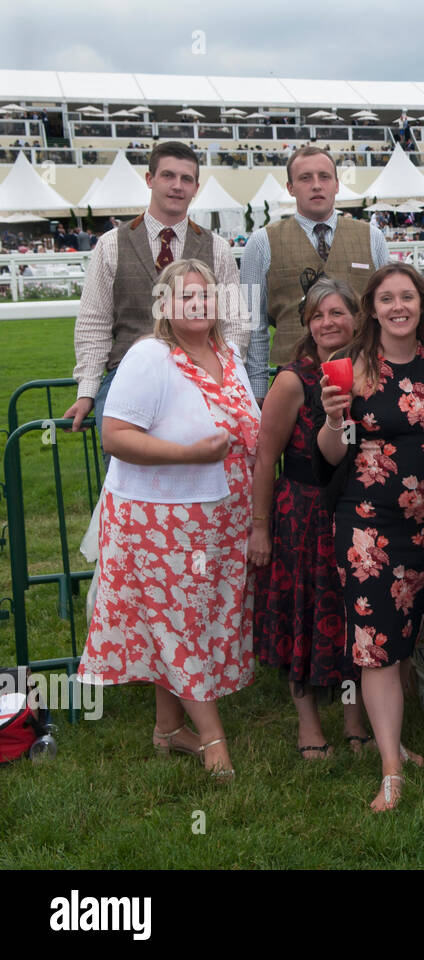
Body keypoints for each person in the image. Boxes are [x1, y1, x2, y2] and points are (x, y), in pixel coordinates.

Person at [77, 259, 261, 780]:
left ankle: (166, 729)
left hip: (220, 519)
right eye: (184, 298)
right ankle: (212, 738)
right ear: (164, 306)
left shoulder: (228, 355)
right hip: (159, 521)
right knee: (178, 621)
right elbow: (115, 437)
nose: (197, 305)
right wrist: (190, 456)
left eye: (205, 296)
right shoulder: (150, 357)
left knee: (188, 620)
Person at [316, 262, 424, 812]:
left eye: (409, 297)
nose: (399, 306)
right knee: (374, 646)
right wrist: (330, 421)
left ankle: (392, 737)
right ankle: (391, 769)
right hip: (366, 527)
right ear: (372, 308)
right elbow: (332, 457)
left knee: (399, 637)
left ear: (421, 304)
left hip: (423, 526)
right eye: (387, 298)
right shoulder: (350, 368)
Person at [249, 277, 371, 758]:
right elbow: (264, 458)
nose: (328, 323)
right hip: (302, 510)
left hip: (357, 506)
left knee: (351, 613)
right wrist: (260, 527)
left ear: (356, 319)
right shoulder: (292, 380)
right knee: (304, 613)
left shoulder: (370, 373)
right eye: (318, 315)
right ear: (307, 325)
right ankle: (307, 723)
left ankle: (354, 718)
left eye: (338, 312)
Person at [65, 142, 248, 438]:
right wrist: (87, 391)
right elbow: (93, 322)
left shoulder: (217, 249)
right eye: (168, 176)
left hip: (203, 378)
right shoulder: (111, 244)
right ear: (150, 180)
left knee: (208, 470)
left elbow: (236, 321)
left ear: (196, 187)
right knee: (130, 470)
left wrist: (224, 371)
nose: (177, 186)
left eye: (186, 179)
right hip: (127, 379)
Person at [244, 145, 390, 400]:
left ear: (336, 184)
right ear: (290, 187)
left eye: (324, 177)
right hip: (291, 386)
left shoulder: (372, 237)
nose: (316, 185)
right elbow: (252, 325)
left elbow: (386, 313)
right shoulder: (261, 243)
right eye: (305, 178)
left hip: (362, 380)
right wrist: (258, 394)